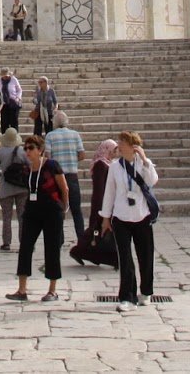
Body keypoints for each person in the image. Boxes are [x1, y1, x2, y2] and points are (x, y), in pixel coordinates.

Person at [99, 130, 159, 313]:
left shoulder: (144, 165)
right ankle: (127, 297)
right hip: (121, 217)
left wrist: (144, 159)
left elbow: (152, 181)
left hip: (141, 215)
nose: (119, 145)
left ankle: (146, 291)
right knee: (124, 258)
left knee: (145, 255)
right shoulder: (115, 167)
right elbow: (109, 192)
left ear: (132, 146)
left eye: (122, 142)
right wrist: (105, 218)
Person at [5, 134, 66, 302]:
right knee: (25, 247)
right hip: (32, 211)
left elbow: (64, 188)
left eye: (31, 148)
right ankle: (22, 289)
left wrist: (64, 207)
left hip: (52, 211)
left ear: (41, 150)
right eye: (25, 148)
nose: (27, 151)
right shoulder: (27, 168)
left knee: (51, 249)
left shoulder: (52, 165)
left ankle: (52, 290)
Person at [69, 139, 119, 267]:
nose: (115, 153)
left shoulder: (109, 163)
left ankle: (87, 253)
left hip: (110, 204)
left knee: (101, 234)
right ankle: (79, 251)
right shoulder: (100, 165)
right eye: (113, 150)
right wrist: (101, 211)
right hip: (102, 205)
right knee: (98, 233)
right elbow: (99, 190)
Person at [44, 110, 86, 241]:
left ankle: (59, 239)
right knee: (76, 210)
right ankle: (81, 238)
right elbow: (82, 155)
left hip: (57, 176)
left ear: (55, 122)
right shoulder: (75, 135)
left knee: (58, 209)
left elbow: (47, 157)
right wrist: (72, 160)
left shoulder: (50, 136)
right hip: (72, 175)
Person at [0, 128, 28, 251]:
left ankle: (6, 243)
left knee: (6, 217)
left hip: (5, 188)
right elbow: (29, 166)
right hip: (21, 187)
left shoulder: (1, 151)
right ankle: (24, 241)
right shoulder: (22, 151)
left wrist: (3, 175)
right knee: (22, 216)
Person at [0, 69, 23, 135]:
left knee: (14, 122)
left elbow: (19, 90)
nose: (5, 77)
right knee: (4, 122)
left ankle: (14, 138)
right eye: (3, 76)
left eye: (6, 76)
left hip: (13, 103)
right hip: (3, 104)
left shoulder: (14, 80)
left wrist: (18, 98)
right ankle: (5, 139)